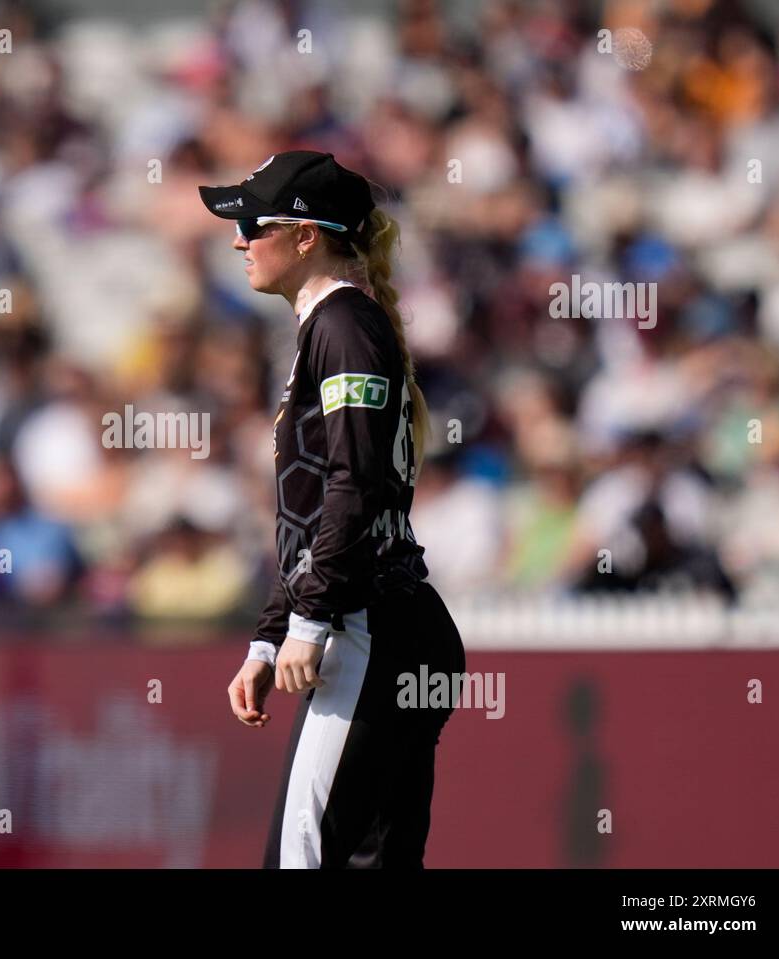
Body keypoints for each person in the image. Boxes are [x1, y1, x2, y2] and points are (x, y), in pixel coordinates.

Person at [206, 151, 465, 868]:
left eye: (252, 224)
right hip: (389, 620)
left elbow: (352, 484)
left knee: (303, 859)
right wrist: (268, 635)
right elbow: (316, 506)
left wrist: (310, 618)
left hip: (370, 623)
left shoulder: (343, 326)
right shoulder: (339, 324)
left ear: (305, 235)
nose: (237, 240)